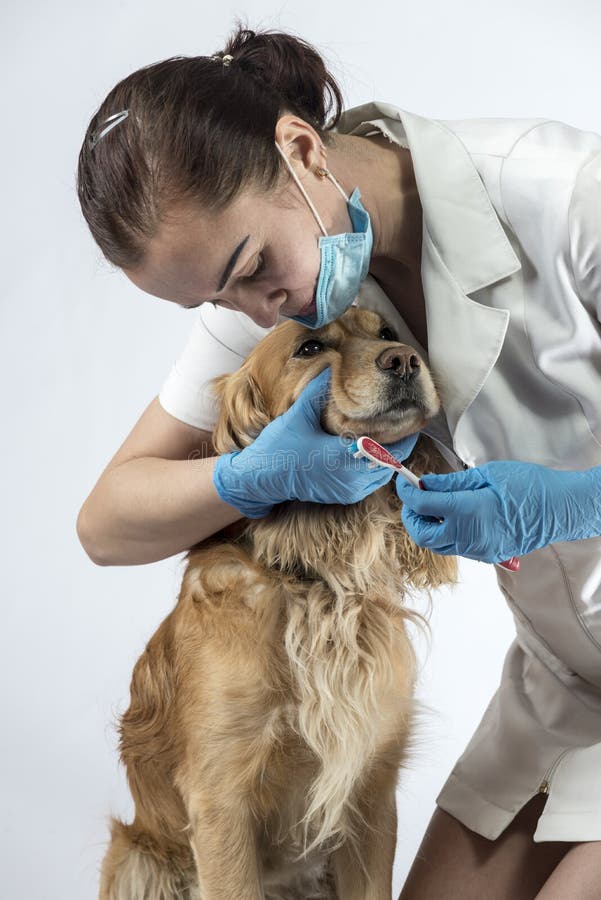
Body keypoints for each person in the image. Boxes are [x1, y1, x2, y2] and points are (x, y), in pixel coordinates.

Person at [76, 23, 601, 898]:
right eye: (219, 296)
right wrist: (244, 477)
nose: (250, 308)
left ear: (299, 149)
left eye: (250, 269)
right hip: (567, 677)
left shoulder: (564, 194)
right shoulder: (286, 285)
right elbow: (106, 523)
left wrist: (578, 503)